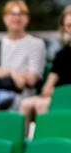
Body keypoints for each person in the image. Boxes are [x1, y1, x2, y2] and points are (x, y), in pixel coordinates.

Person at [19, 6, 71, 135]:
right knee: (25, 104)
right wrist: (50, 90)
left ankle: (45, 143)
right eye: (69, 26)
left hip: (65, 97)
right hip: (56, 96)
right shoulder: (61, 55)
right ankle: (23, 145)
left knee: (42, 105)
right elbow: (48, 86)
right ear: (64, 28)